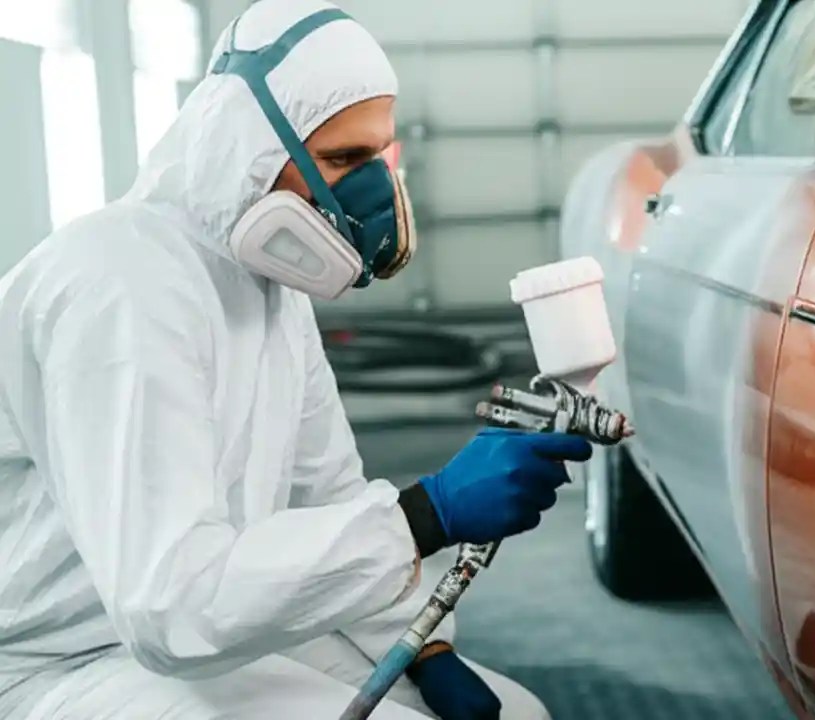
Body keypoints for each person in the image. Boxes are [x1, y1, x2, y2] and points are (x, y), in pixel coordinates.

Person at [0, 1, 590, 718]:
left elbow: (327, 494)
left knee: (519, 712)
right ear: (244, 150)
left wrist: (422, 645)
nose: (370, 194)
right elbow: (169, 600)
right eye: (343, 160)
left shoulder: (270, 289)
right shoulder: (119, 280)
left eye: (377, 158)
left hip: (222, 627)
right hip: (65, 659)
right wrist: (424, 516)